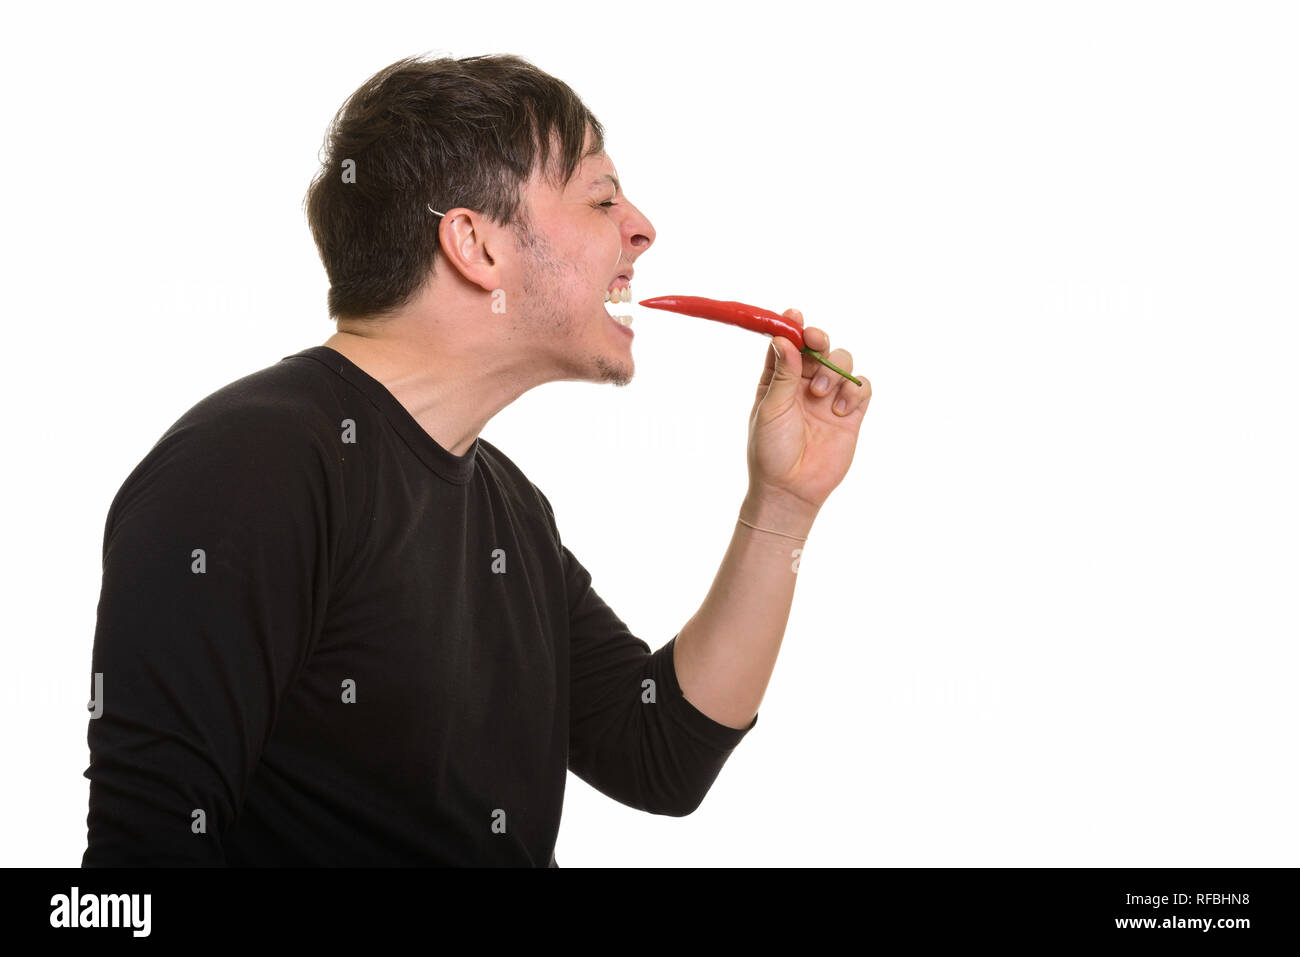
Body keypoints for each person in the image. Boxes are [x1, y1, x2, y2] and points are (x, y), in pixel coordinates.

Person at [81, 52, 872, 867]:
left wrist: (785, 503)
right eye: (601, 197)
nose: (642, 227)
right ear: (474, 244)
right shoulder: (249, 467)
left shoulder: (509, 510)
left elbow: (657, 750)